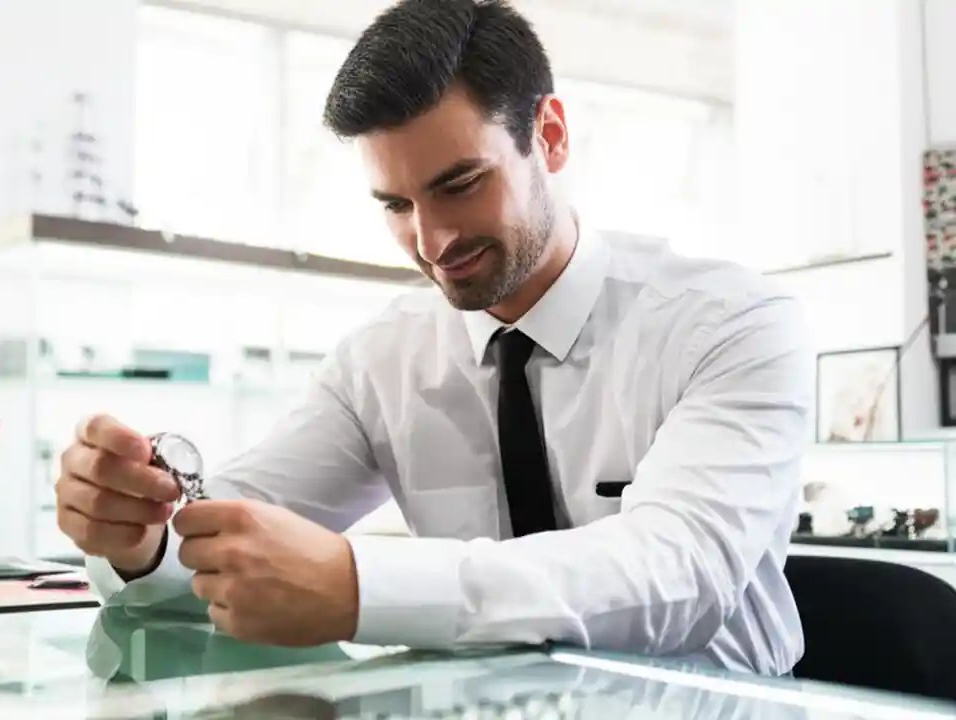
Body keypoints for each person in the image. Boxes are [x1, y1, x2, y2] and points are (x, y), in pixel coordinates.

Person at [57, 0, 811, 675]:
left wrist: (357, 587)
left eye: (460, 185)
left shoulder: (732, 323)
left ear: (549, 137)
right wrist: (138, 538)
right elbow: (226, 530)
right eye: (395, 204)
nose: (432, 240)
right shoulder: (380, 361)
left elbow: (676, 575)